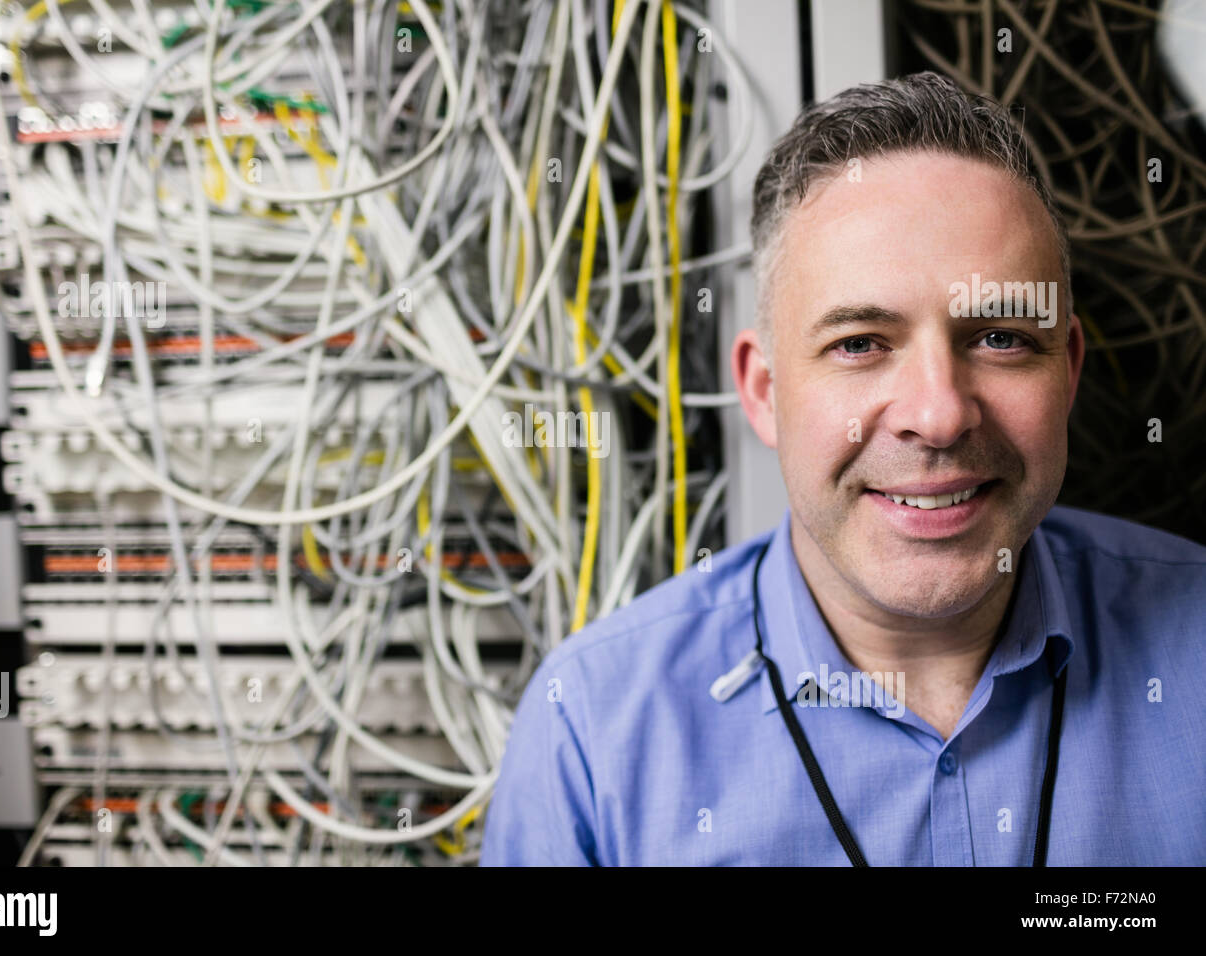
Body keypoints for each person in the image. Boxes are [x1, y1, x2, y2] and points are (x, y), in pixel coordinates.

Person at [480, 71, 1206, 866]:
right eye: (859, 343)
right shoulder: (590, 734)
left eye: (999, 337)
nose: (936, 414)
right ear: (763, 391)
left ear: (1066, 371)